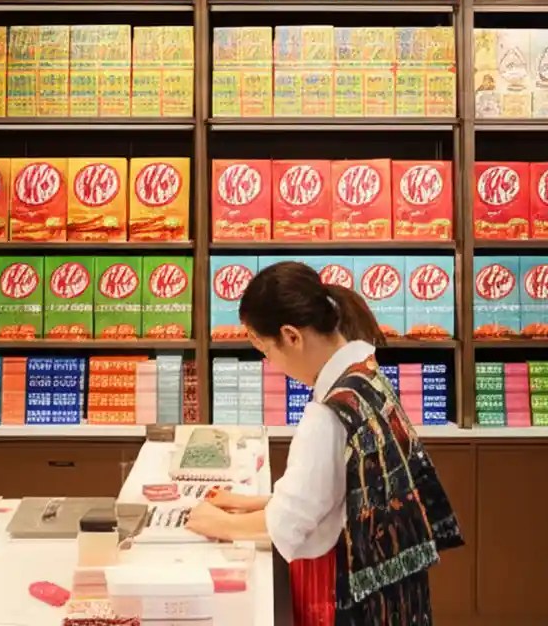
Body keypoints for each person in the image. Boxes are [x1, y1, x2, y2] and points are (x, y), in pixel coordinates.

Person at [186, 262, 463, 626]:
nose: (270, 364)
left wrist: (214, 522)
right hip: (393, 592)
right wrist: (249, 503)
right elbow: (338, 492)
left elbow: (290, 523)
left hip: (348, 594)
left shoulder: (326, 415)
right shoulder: (365, 375)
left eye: (265, 350)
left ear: (291, 336)